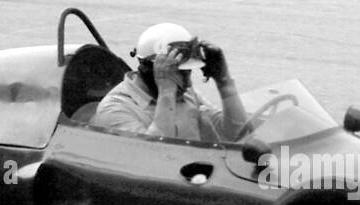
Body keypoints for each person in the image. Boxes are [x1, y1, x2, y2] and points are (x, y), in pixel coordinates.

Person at [93, 23, 248, 143]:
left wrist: (225, 83)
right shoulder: (115, 109)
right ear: (150, 69)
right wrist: (166, 93)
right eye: (179, 73)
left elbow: (236, 134)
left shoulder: (186, 93)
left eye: (189, 72)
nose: (187, 84)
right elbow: (154, 154)